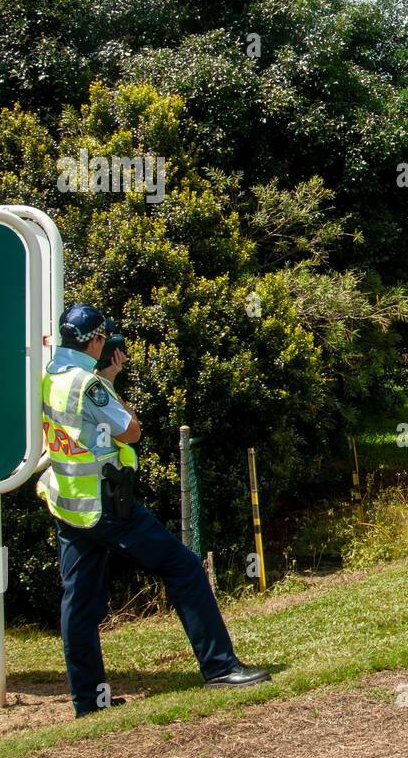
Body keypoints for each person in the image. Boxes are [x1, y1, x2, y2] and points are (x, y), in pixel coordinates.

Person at [38, 304, 268, 717]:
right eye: (103, 338)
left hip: (68, 506)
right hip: (107, 504)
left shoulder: (51, 376)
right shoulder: (88, 385)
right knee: (184, 568)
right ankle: (219, 667)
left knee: (80, 605)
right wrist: (109, 379)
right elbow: (130, 429)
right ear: (94, 340)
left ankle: (89, 702)